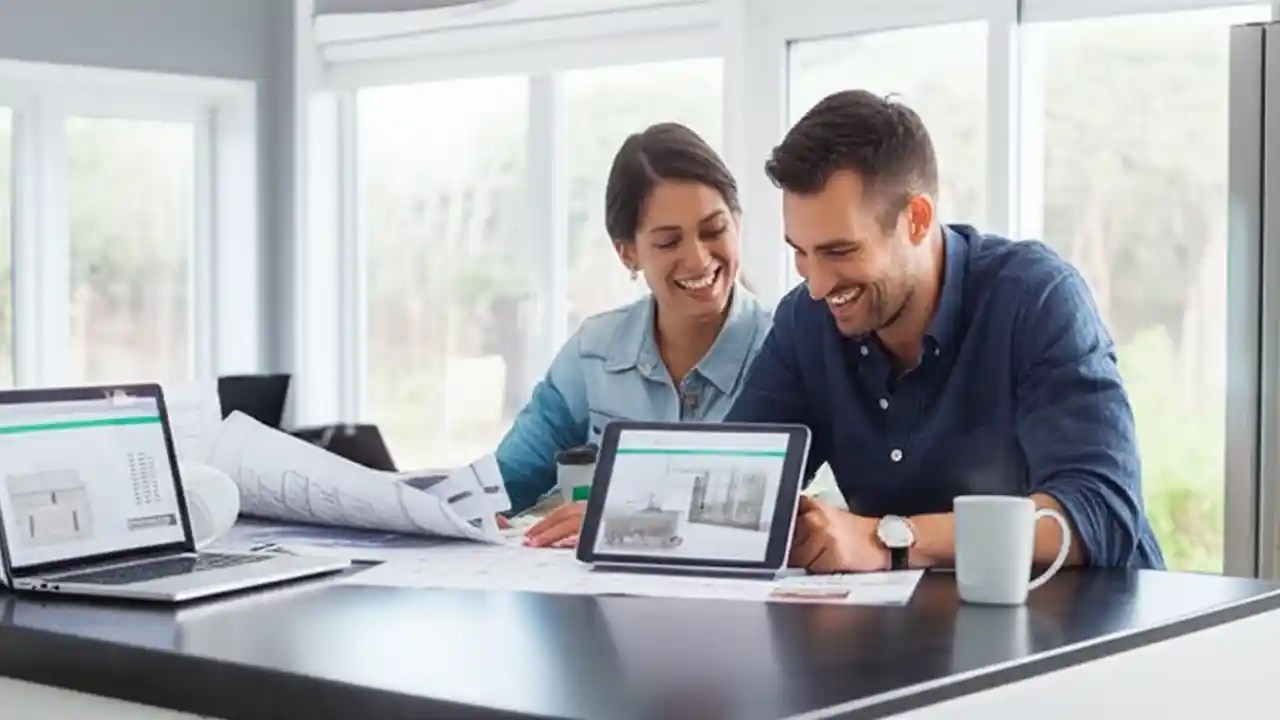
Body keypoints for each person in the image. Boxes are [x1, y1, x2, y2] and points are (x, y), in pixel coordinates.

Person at [727, 90, 1164, 572]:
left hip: (1095, 630)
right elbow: (738, 485)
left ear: (916, 219)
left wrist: (887, 539)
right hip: (924, 633)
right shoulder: (805, 323)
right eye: (801, 251)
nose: (816, 285)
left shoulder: (1034, 297)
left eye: (839, 251)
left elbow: (1101, 511)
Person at [497, 122, 772, 548]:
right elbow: (506, 481)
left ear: (737, 222)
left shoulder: (786, 349)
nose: (698, 258)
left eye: (714, 230)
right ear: (628, 251)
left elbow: (792, 505)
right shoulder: (594, 353)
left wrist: (626, 519)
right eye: (667, 242)